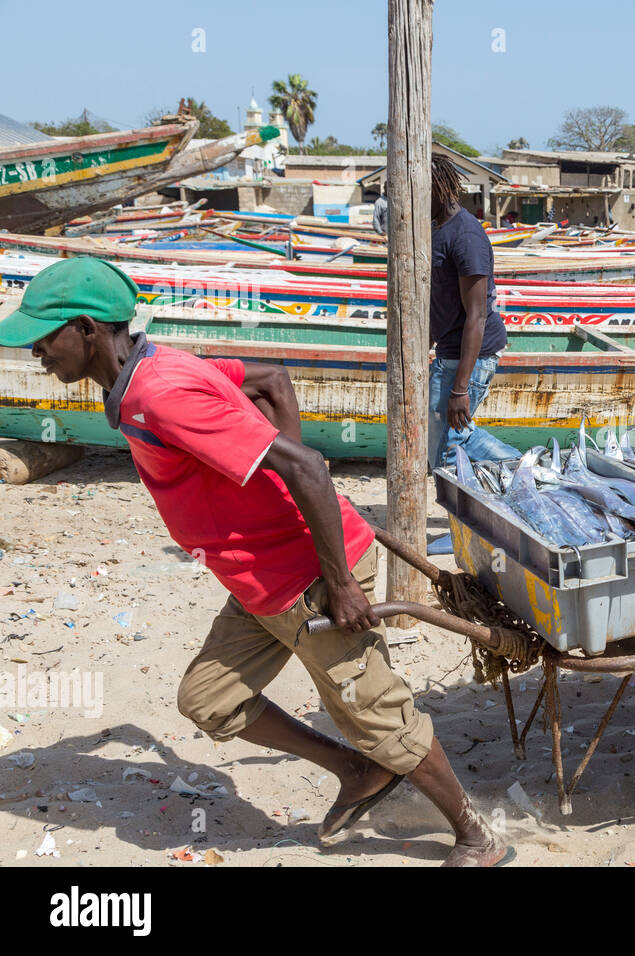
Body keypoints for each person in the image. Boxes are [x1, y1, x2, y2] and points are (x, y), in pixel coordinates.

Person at [0, 256, 510, 865]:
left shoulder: (159, 395)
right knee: (209, 698)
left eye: (44, 338)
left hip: (308, 579)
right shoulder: (152, 374)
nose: (36, 353)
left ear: (86, 329)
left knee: (379, 717)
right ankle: (356, 772)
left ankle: (476, 836)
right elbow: (271, 378)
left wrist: (340, 581)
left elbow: (308, 466)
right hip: (258, 583)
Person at [426, 156, 520, 554]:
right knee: (443, 440)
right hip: (447, 351)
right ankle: (515, 471)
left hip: (471, 354)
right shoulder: (437, 228)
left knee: (449, 443)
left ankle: (517, 470)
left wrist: (460, 387)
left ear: (437, 189)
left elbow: (477, 316)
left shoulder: (466, 235)